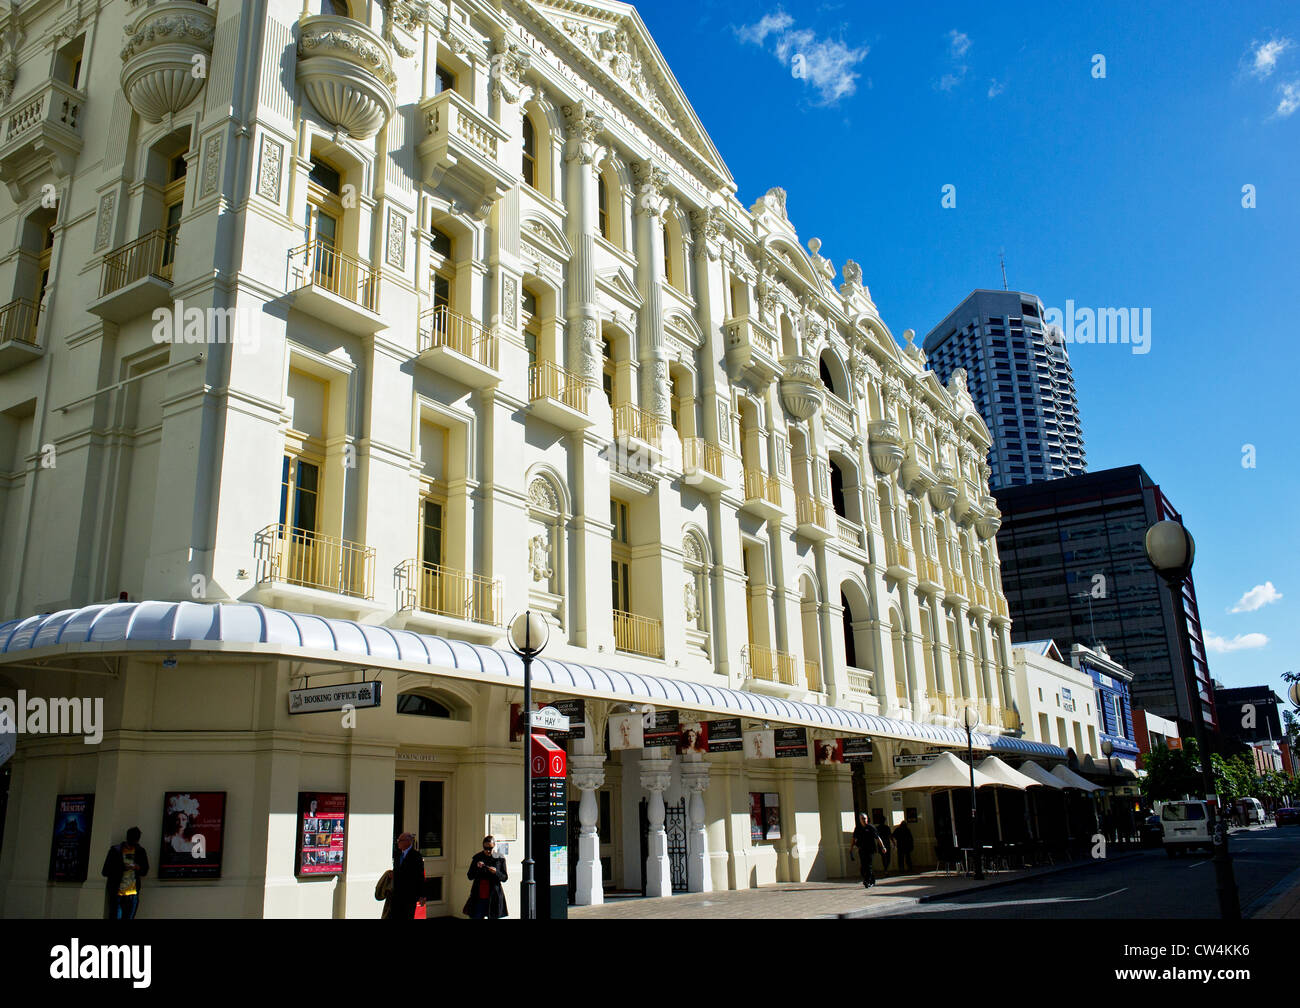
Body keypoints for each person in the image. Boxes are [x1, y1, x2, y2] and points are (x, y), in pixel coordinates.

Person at [102, 827, 149, 920]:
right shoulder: (116, 851)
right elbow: (105, 871)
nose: (134, 844)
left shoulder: (140, 851)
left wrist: (137, 867)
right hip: (117, 893)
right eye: (133, 841)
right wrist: (122, 867)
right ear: (128, 838)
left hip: (132, 894)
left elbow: (145, 870)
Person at [463, 835, 509, 919]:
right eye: (485, 848)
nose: (488, 851)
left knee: (493, 916)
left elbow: (505, 878)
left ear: (494, 846)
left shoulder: (500, 858)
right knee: (476, 916)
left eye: (490, 848)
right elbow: (470, 876)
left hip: (494, 894)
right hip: (479, 894)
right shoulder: (477, 857)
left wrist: (496, 872)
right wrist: (477, 867)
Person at [389, 832, 424, 920]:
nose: (398, 842)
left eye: (400, 840)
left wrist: (422, 895)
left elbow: (420, 876)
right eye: (398, 840)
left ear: (408, 842)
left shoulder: (416, 856)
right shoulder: (397, 855)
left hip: (409, 895)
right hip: (396, 894)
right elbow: (398, 870)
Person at [850, 813, 885, 888]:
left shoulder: (871, 827)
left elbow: (878, 838)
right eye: (862, 818)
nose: (864, 820)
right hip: (861, 849)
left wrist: (883, 847)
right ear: (859, 820)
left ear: (867, 819)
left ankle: (867, 881)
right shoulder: (858, 828)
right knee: (863, 867)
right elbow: (854, 839)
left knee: (868, 865)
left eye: (865, 818)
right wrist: (851, 849)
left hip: (870, 849)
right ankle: (872, 879)